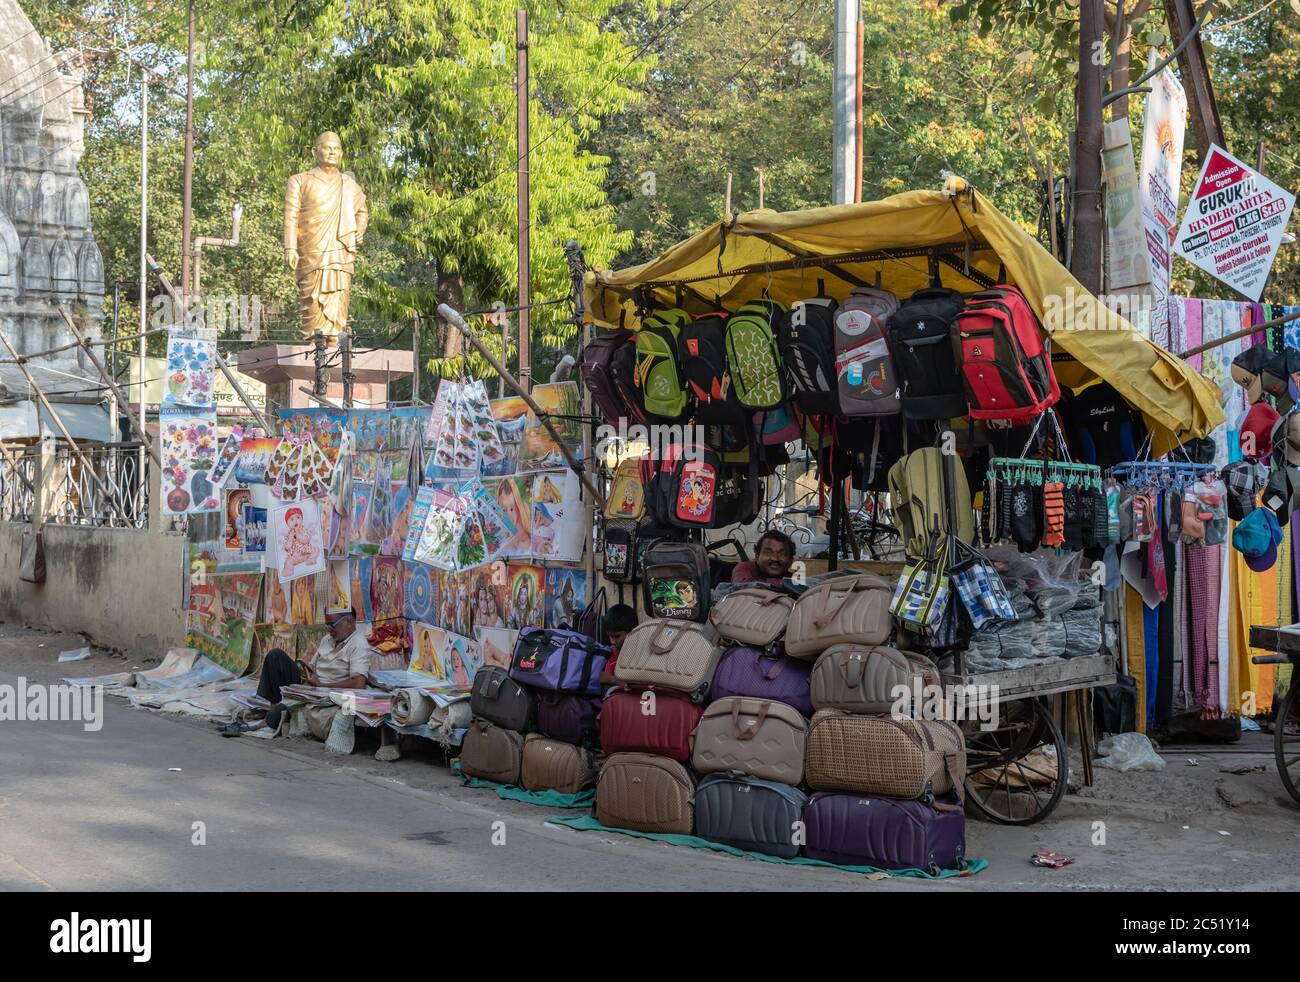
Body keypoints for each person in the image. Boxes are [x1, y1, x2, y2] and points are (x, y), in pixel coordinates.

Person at [256, 609, 374, 736]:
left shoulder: (358, 644)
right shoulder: (327, 640)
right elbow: (312, 666)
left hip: (328, 692)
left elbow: (358, 683)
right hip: (311, 687)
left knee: (273, 718)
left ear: (349, 622)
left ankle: (280, 715)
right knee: (275, 656)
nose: (329, 629)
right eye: (327, 625)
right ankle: (275, 705)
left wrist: (321, 686)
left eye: (332, 624)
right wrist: (306, 672)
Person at [732, 530, 796, 585]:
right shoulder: (745, 568)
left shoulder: (795, 581)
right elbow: (741, 586)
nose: (775, 558)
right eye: (768, 552)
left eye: (782, 554)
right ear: (757, 556)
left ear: (791, 560)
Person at [599, 603, 638, 686]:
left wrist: (612, 680)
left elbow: (641, 687)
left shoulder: (641, 655)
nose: (612, 642)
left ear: (633, 632)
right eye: (610, 636)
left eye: (616, 636)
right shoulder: (611, 653)